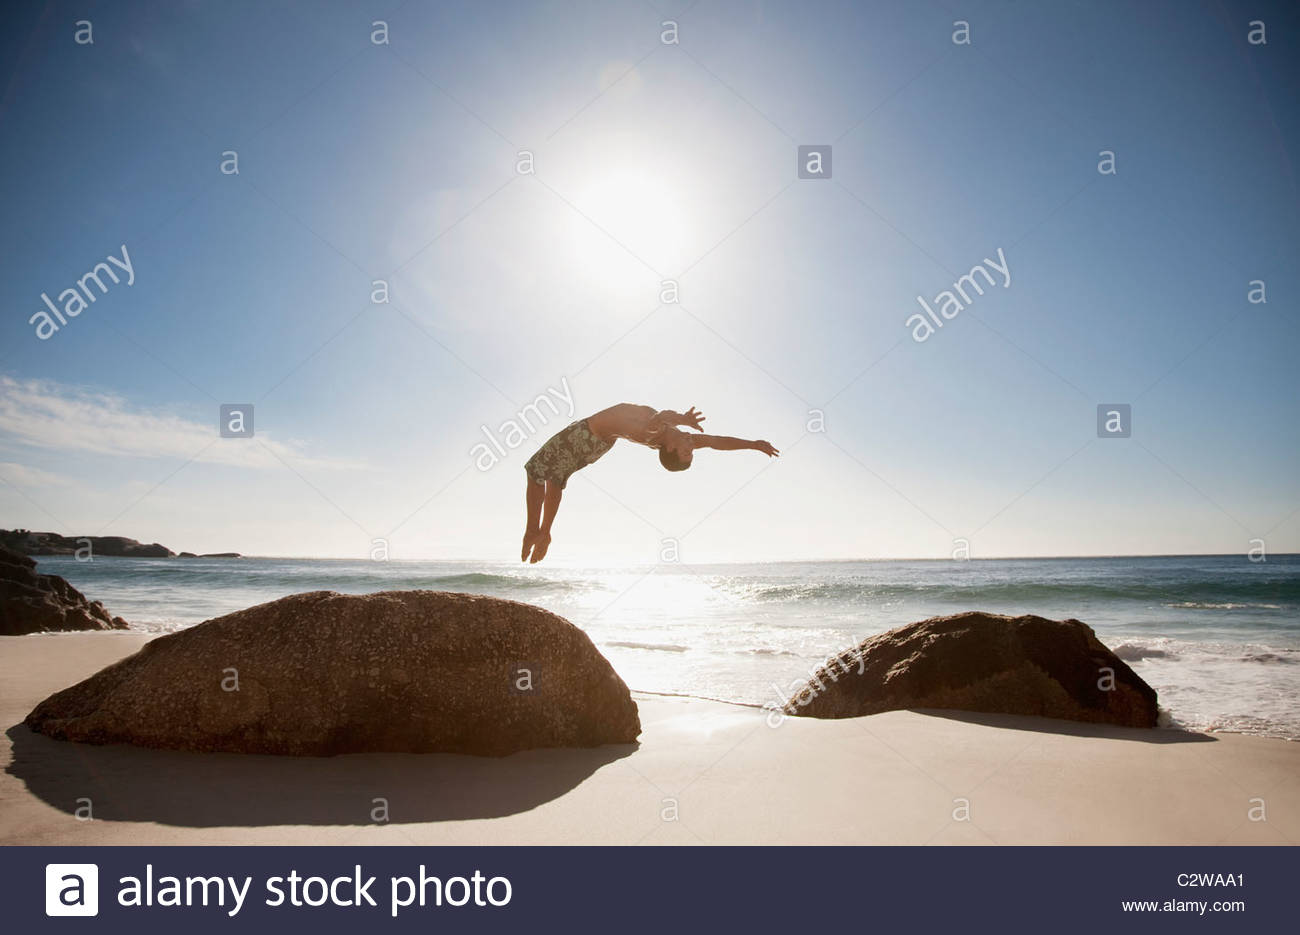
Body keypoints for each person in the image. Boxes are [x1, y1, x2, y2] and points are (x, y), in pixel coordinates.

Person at [521, 404, 779, 563]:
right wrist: (753, 445)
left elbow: (661, 417)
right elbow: (718, 441)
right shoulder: (678, 439)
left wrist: (681, 418)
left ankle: (535, 529)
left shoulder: (656, 433)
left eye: (687, 451)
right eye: (691, 450)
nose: (692, 446)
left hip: (588, 432)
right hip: (601, 443)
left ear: (669, 448)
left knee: (537, 470)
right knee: (557, 477)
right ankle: (544, 531)